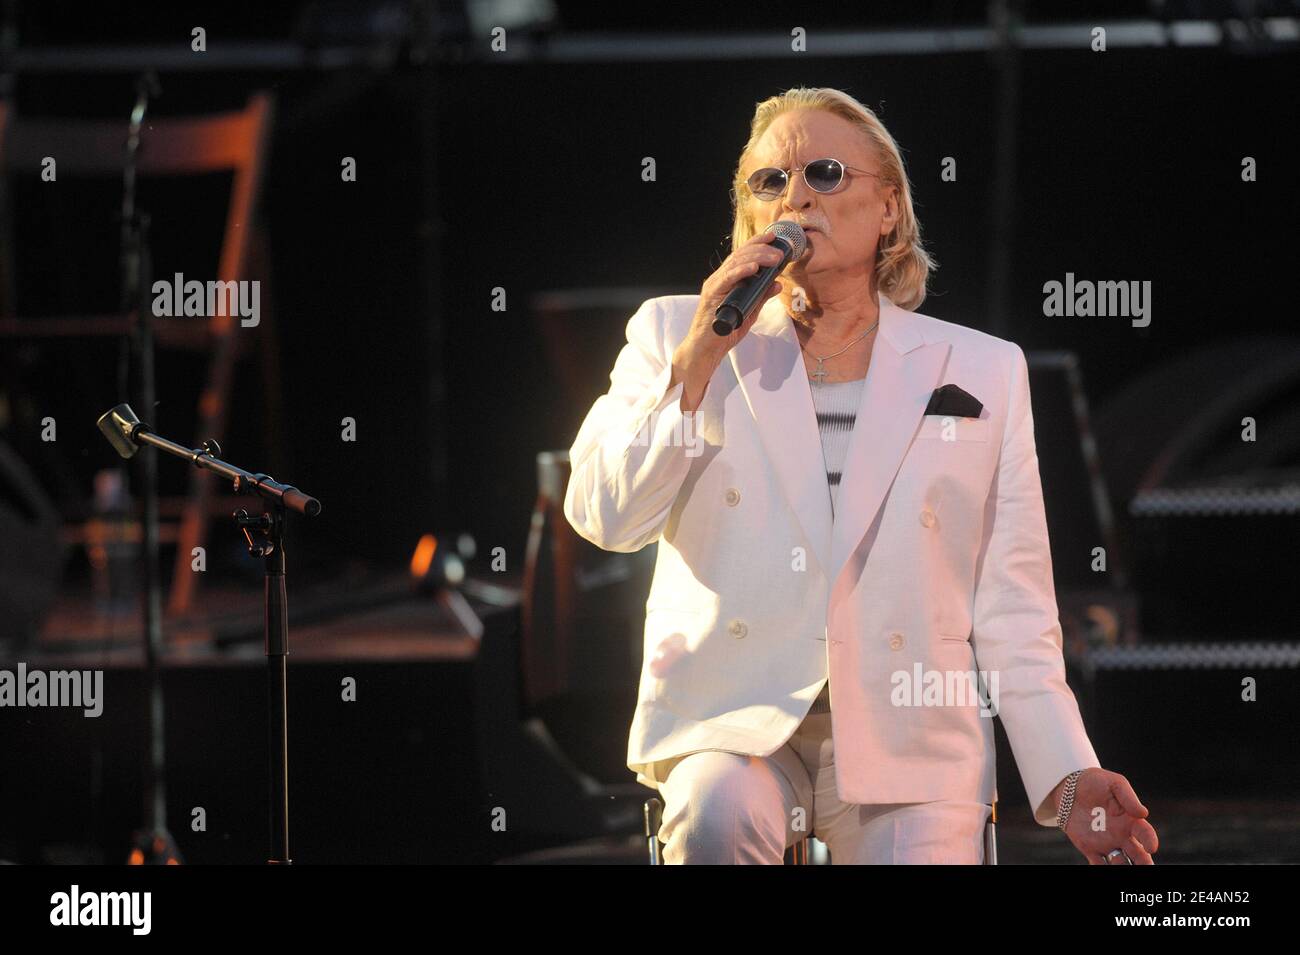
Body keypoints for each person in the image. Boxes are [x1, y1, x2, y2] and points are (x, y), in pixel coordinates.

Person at [563, 86, 1158, 865]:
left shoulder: (980, 366)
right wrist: (698, 363)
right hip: (733, 716)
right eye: (769, 181)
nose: (797, 194)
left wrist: (1069, 773)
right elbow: (606, 518)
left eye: (826, 171)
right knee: (714, 819)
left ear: (889, 208)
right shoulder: (674, 333)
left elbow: (1011, 598)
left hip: (911, 730)